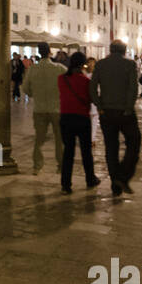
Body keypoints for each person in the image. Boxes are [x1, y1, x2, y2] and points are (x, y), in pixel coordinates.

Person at [90, 40, 140, 196]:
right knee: (134, 142)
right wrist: (129, 107)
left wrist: (99, 105)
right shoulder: (130, 64)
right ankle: (123, 176)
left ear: (110, 50)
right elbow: (133, 87)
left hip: (107, 112)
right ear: (124, 51)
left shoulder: (100, 64)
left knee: (111, 147)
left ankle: (115, 185)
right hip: (125, 112)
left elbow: (92, 87)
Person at [58, 51, 101, 194]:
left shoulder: (61, 79)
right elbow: (92, 99)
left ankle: (65, 184)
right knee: (86, 152)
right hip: (82, 118)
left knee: (68, 152)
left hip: (65, 118)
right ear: (83, 64)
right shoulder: (86, 81)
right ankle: (90, 178)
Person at [24, 42, 64, 175]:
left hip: (39, 109)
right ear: (50, 53)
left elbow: (26, 89)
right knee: (59, 139)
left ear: (39, 53)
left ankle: (37, 166)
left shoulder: (33, 69)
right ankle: (61, 165)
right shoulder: (59, 68)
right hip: (57, 108)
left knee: (39, 139)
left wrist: (33, 94)